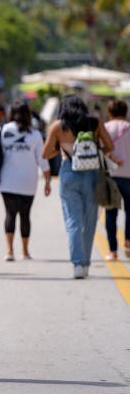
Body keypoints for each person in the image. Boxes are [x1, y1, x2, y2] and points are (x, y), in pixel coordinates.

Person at [43, 96, 115, 278]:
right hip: (92, 173)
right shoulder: (94, 123)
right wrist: (95, 155)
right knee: (90, 221)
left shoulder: (58, 126)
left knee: (73, 221)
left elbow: (45, 153)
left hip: (69, 172)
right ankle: (85, 264)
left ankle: (77, 264)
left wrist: (62, 148)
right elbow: (110, 146)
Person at [0, 102, 51, 262]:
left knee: (10, 214)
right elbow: (42, 160)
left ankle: (9, 250)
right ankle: (25, 251)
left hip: (7, 180)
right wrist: (48, 181)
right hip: (28, 182)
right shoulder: (35, 134)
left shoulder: (2, 130)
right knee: (25, 216)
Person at [103, 99, 130, 260]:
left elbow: (100, 150)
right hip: (129, 176)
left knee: (111, 213)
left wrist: (112, 158)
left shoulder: (105, 128)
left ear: (110, 112)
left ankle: (113, 251)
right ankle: (128, 241)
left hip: (110, 175)